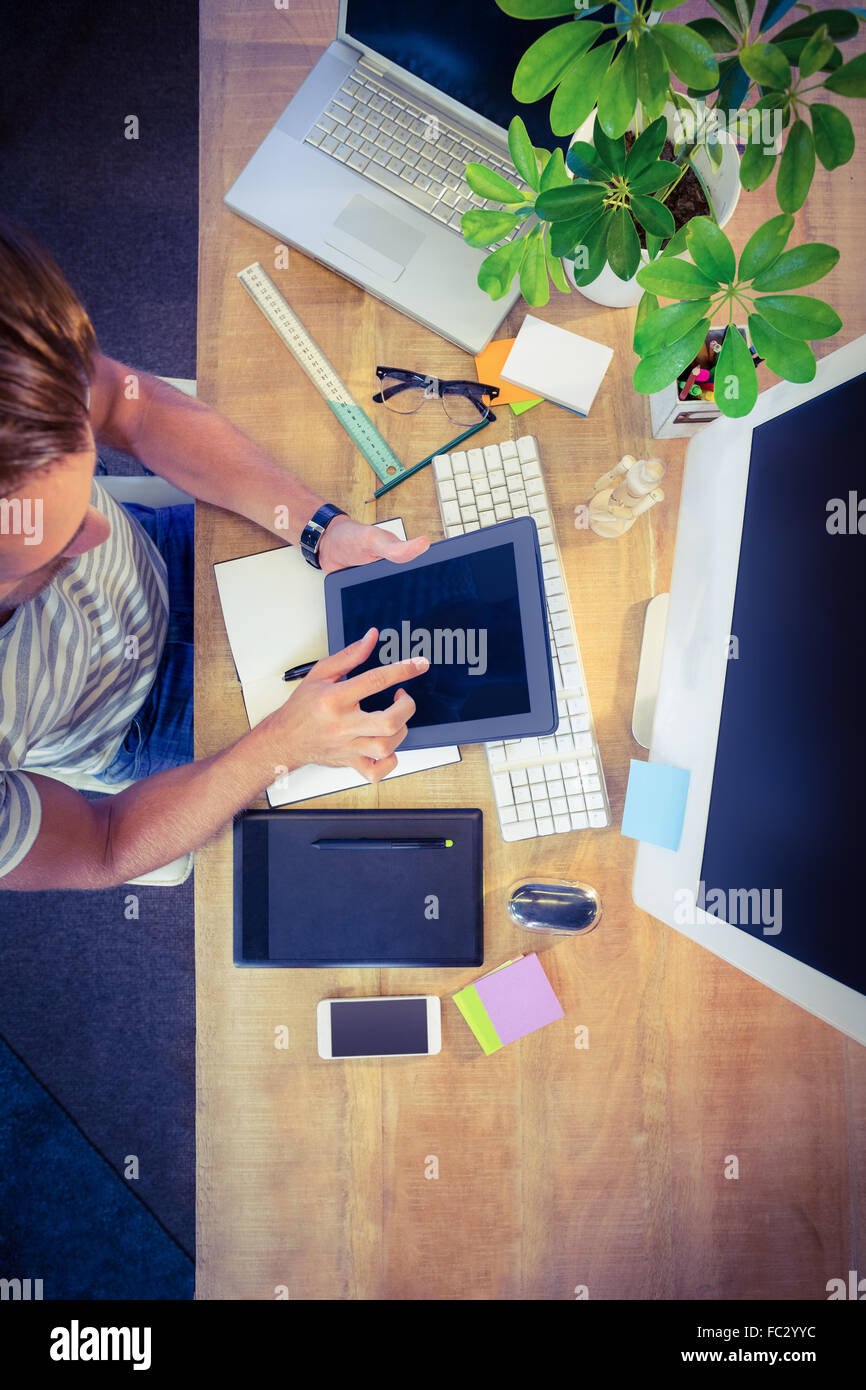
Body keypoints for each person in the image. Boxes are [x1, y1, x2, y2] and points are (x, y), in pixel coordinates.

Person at [0, 217, 429, 891]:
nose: (98, 534)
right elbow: (103, 846)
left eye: (86, 484)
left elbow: (135, 413)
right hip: (135, 723)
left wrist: (317, 526)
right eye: (54, 546)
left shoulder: (16, 356)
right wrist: (278, 750)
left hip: (171, 556)